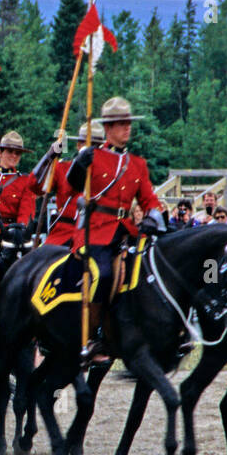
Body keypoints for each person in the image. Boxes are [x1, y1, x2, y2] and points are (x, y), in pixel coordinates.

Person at [65, 97, 166, 364]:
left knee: (152, 272)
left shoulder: (138, 164)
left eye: (128, 124)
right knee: (103, 274)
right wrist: (78, 163)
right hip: (95, 231)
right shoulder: (93, 156)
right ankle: (93, 336)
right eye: (121, 124)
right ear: (108, 129)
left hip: (126, 231)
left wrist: (154, 216)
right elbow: (73, 185)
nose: (127, 129)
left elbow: (148, 199)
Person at [0, 130, 38, 228]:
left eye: (18, 153)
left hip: (8, 232)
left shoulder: (25, 181)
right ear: (0, 153)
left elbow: (25, 214)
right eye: (10, 151)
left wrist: (18, 230)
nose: (14, 155)